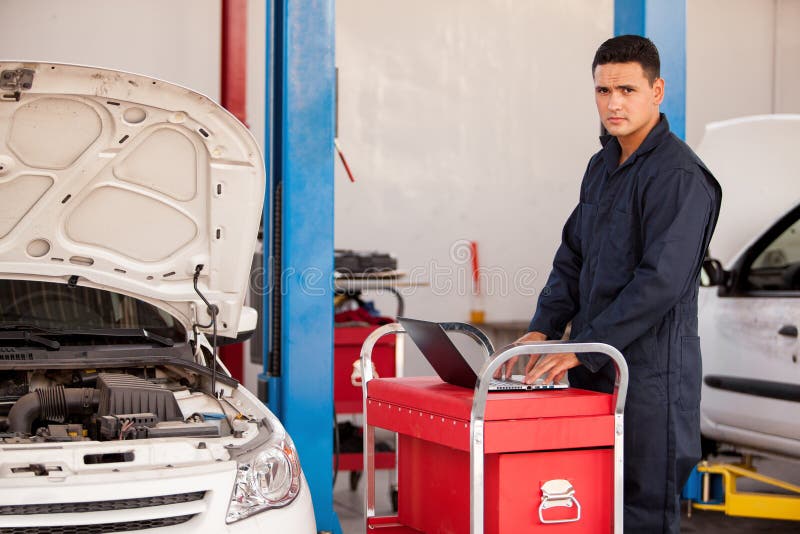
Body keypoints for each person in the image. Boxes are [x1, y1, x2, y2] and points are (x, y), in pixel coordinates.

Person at [497, 35, 722, 533]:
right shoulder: (602, 167)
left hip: (651, 381)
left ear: (657, 90)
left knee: (639, 512)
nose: (613, 103)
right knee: (589, 503)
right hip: (596, 367)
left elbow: (659, 282)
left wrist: (584, 346)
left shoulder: (679, 176)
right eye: (603, 90)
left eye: (627, 89)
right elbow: (572, 255)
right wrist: (543, 326)